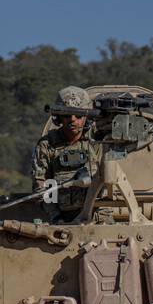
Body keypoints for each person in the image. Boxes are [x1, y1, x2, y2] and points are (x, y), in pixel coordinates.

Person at [30, 86, 102, 220]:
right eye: (67, 115)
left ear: (86, 116)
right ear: (59, 117)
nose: (73, 119)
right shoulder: (47, 145)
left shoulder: (97, 142)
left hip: (97, 215)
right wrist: (55, 216)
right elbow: (41, 188)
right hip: (63, 218)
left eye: (79, 115)